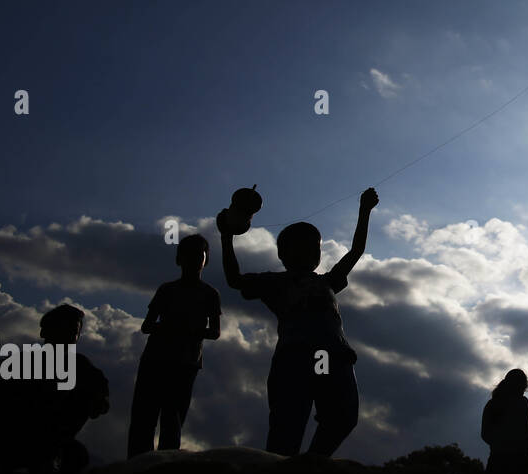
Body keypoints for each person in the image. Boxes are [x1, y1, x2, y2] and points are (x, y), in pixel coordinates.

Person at [219, 187, 378, 457]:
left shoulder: (327, 281)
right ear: (283, 254)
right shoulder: (273, 282)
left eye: (313, 247)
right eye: (299, 247)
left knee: (343, 416)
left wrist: (365, 211)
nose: (308, 252)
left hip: (332, 356)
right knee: (286, 430)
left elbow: (356, 251)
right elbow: (235, 280)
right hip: (294, 357)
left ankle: (311, 464)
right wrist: (226, 237)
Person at [0, 304, 109, 474]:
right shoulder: (19, 363)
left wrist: (96, 400)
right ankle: (4, 462)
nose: (68, 335)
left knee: (78, 454)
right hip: (11, 443)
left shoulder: (81, 367)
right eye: (62, 328)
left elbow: (101, 401)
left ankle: (45, 461)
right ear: (45, 332)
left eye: (73, 330)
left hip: (51, 446)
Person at [127, 234, 221, 457]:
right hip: (156, 360)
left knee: (172, 420)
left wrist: (187, 331)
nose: (194, 260)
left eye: (199, 255)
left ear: (206, 260)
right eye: (189, 255)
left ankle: (164, 469)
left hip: (184, 363)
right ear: (179, 259)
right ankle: (136, 468)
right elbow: (147, 325)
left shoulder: (210, 294)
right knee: (144, 418)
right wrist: (173, 328)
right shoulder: (167, 290)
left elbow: (215, 332)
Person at [481, 369, 528, 474]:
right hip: (518, 463)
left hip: (497, 460)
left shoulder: (492, 404)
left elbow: (485, 434)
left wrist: (499, 444)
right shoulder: (522, 403)